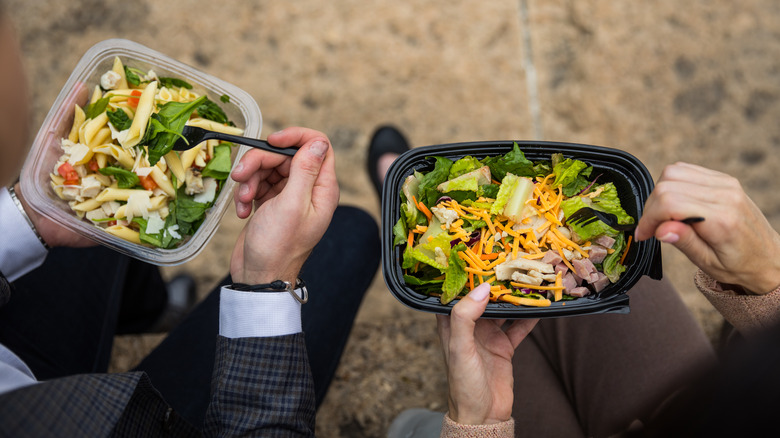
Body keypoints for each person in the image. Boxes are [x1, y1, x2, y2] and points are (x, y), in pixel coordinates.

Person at [0, 7, 380, 435]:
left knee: (117, 231)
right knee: (351, 234)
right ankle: (156, 310)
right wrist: (268, 283)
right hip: (100, 418)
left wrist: (27, 218)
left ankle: (154, 312)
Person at [370, 126, 780, 437]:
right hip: (688, 409)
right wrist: (769, 285)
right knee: (628, 288)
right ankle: (410, 196)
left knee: (414, 424)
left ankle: (405, 198)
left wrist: (478, 423)